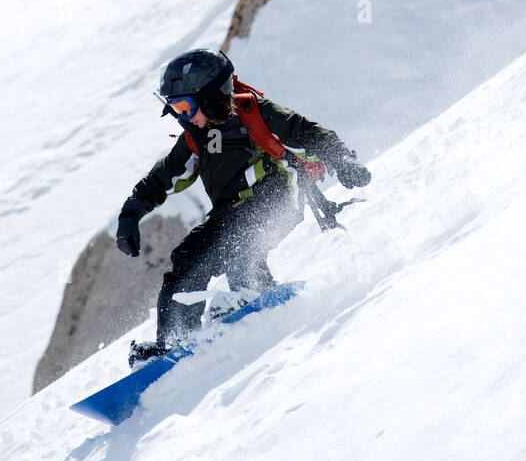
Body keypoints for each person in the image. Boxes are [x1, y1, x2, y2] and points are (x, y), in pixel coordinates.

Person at [115, 48, 370, 366]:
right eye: (173, 109)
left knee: (241, 246)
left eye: (183, 106)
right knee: (186, 260)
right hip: (228, 213)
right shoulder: (196, 135)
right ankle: (177, 343)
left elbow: (303, 129)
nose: (181, 117)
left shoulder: (252, 112)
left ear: (208, 96)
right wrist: (132, 211)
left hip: (275, 199)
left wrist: (341, 157)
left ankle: (257, 298)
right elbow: (165, 176)